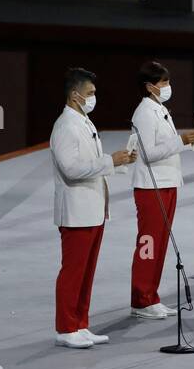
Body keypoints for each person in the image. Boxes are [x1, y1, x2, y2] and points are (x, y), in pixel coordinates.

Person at [51, 67, 137, 349]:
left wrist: (117, 162)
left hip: (93, 208)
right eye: (90, 93)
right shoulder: (65, 126)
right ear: (75, 95)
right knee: (73, 272)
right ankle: (65, 327)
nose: (93, 98)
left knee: (87, 272)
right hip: (76, 211)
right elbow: (71, 168)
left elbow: (92, 162)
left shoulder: (84, 121)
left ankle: (80, 324)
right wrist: (109, 161)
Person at [129, 61, 194, 319]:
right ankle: (141, 298)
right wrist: (180, 140)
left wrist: (186, 141)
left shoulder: (159, 109)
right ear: (149, 86)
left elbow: (167, 145)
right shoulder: (144, 113)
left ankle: (151, 295)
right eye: (163, 83)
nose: (168, 87)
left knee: (160, 243)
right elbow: (148, 153)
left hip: (167, 183)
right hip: (151, 187)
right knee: (148, 244)